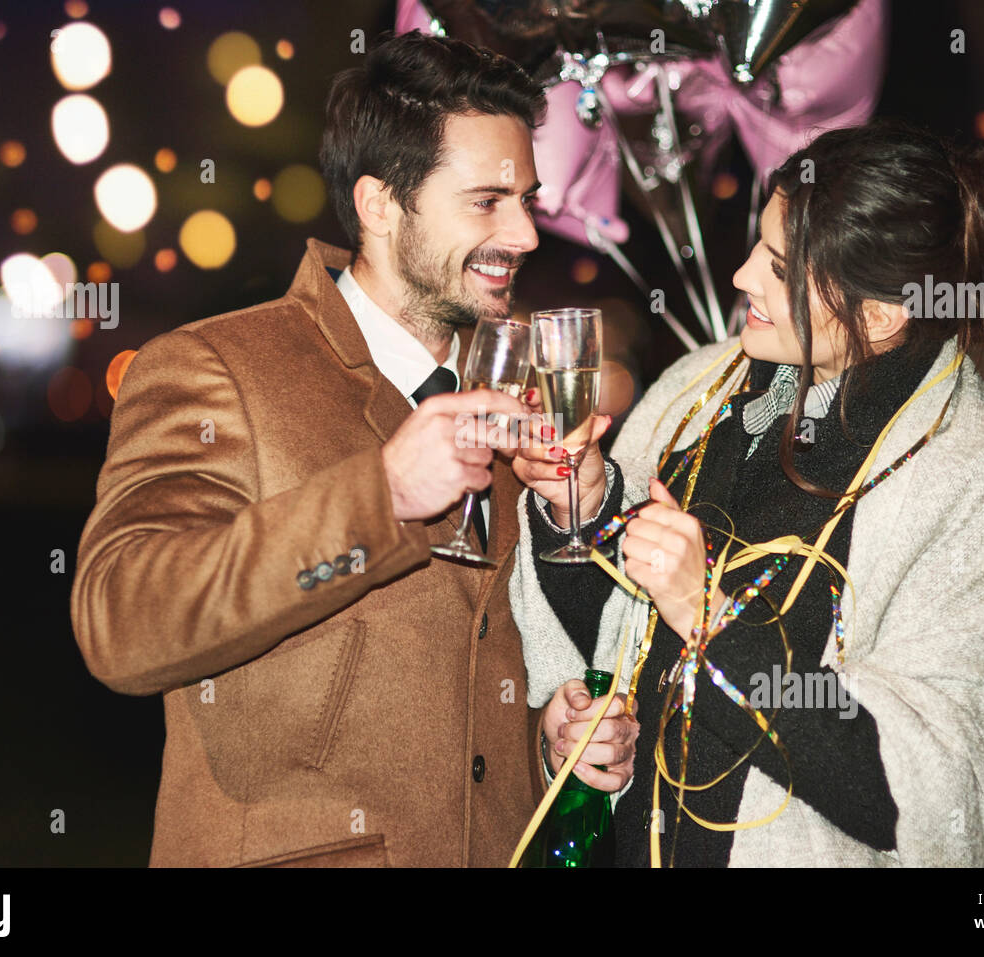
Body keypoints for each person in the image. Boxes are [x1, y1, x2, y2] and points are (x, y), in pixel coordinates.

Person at [69, 31, 595, 867]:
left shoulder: (520, 385)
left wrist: (547, 742)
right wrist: (380, 496)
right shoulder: (217, 368)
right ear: (381, 206)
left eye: (528, 199)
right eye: (488, 202)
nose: (528, 233)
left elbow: (461, 693)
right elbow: (121, 622)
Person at [510, 119, 984, 866]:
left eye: (780, 263)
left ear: (881, 313)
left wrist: (707, 613)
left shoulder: (979, 481)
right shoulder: (696, 388)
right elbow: (608, 632)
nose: (742, 278)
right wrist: (586, 503)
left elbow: (936, 791)